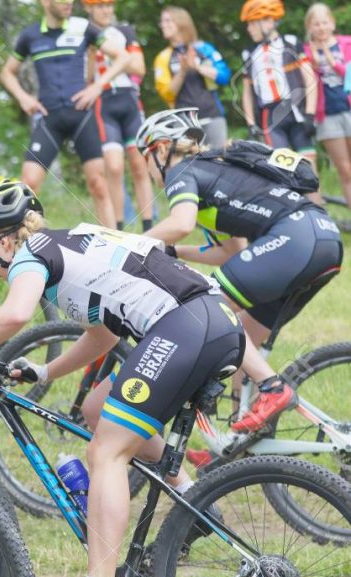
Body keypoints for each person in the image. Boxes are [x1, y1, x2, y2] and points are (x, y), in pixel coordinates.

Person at [0, 179, 245, 577]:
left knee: (105, 453)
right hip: (211, 321)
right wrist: (44, 372)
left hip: (185, 326)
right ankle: (197, 505)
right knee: (98, 408)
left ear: (3, 241)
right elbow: (105, 335)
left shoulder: (31, 251)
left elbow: (15, 314)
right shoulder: (74, 248)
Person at [140, 108, 343, 434]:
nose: (145, 167)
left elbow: (180, 223)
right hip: (322, 238)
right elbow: (231, 252)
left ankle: (272, 388)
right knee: (238, 335)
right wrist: (172, 251)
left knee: (208, 307)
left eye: (144, 156)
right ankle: (240, 439)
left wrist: (129, 243)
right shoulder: (216, 172)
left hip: (296, 238)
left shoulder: (183, 170)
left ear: (161, 148)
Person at [0, 0, 128, 228]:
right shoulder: (30, 35)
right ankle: (25, 247)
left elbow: (123, 57)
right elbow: (7, 72)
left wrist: (98, 86)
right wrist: (23, 97)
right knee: (28, 183)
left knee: (98, 184)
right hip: (49, 118)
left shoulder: (83, 27)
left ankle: (113, 243)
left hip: (81, 115)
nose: (69, 2)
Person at [83, 0, 154, 232]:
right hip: (103, 102)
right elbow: (87, 79)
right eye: (100, 6)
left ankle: (149, 227)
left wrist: (115, 54)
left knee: (139, 165)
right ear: (89, 9)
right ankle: (119, 230)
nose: (106, 11)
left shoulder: (125, 31)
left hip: (129, 99)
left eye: (109, 5)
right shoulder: (83, 33)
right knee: (113, 167)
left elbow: (139, 68)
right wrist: (94, 54)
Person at [240, 0, 317, 158]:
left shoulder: (291, 42)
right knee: (281, 167)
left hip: (296, 109)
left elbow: (310, 79)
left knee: (308, 165)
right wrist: (251, 123)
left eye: (252, 24)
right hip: (270, 116)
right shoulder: (249, 53)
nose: (249, 29)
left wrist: (310, 114)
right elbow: (246, 92)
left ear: (269, 21)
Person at [153, 6, 231, 149]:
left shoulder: (204, 48)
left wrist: (198, 67)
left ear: (182, 23)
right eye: (162, 21)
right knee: (190, 167)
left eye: (168, 20)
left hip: (212, 115)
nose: (163, 25)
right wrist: (182, 71)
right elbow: (166, 94)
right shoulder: (163, 57)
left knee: (220, 163)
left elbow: (224, 76)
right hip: (183, 121)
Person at [304, 3, 351, 205]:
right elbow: (308, 84)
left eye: (324, 22)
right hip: (327, 115)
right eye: (316, 24)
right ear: (309, 27)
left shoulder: (347, 44)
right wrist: (313, 63)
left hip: (348, 107)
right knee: (345, 169)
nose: (321, 27)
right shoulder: (305, 51)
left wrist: (332, 62)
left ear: (332, 23)